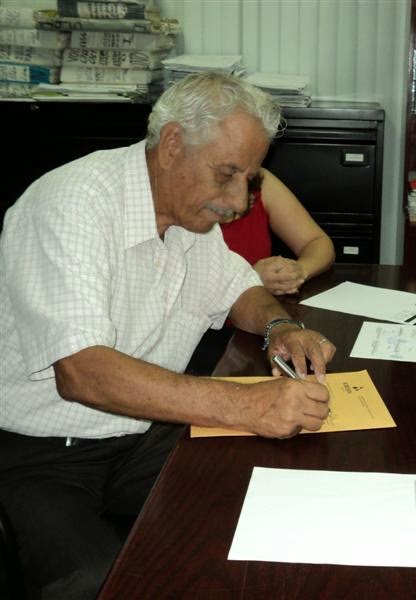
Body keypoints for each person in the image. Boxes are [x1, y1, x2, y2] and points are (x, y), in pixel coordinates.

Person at [0, 72, 337, 599]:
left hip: (139, 433)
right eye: (227, 174)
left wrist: (281, 327)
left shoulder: (189, 215)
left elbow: (239, 291)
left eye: (248, 179)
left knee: (268, 497)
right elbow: (82, 372)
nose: (239, 201)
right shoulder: (72, 204)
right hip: (40, 454)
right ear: (173, 145)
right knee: (100, 581)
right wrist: (245, 406)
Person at [221, 166, 335, 296]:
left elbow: (317, 242)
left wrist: (296, 272)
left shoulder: (260, 179)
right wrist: (250, 280)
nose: (241, 204)